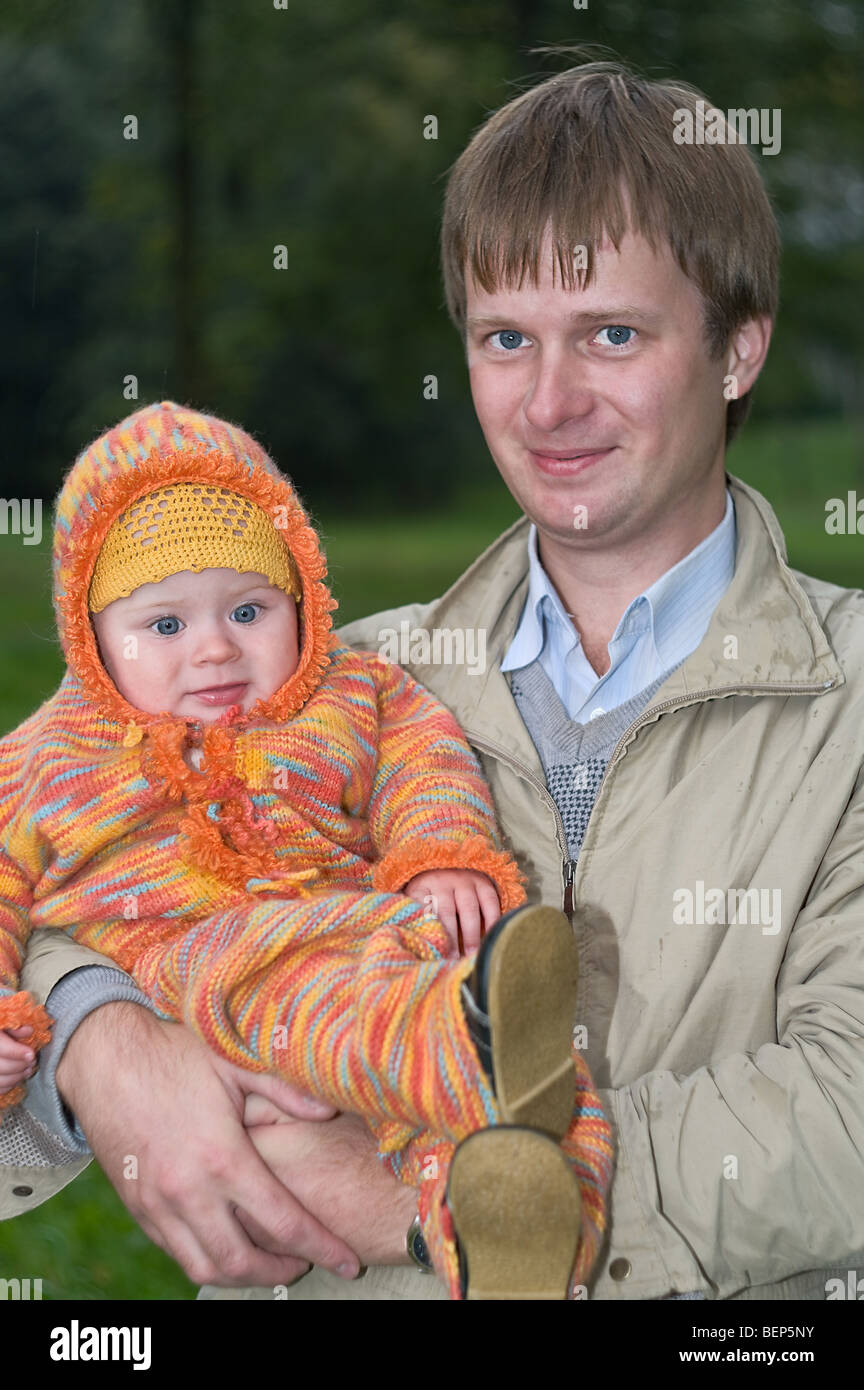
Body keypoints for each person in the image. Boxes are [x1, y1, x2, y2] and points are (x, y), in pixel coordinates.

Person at [6, 56, 864, 1302]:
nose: (551, 401)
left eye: (612, 334)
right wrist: (98, 1029)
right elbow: (64, 838)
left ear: (738, 350)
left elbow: (843, 1126)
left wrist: (404, 1198)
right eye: (505, 338)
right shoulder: (319, 683)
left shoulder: (847, 704)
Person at [0, 397, 613, 1299]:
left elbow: (421, 757)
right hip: (215, 961)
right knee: (345, 1010)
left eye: (249, 610)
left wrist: (441, 853)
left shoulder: (351, 692)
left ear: (301, 598)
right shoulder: (52, 754)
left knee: (554, 1089)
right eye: (164, 626)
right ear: (93, 643)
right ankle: (472, 1039)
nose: (214, 649)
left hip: (374, 931)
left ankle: (535, 1223)